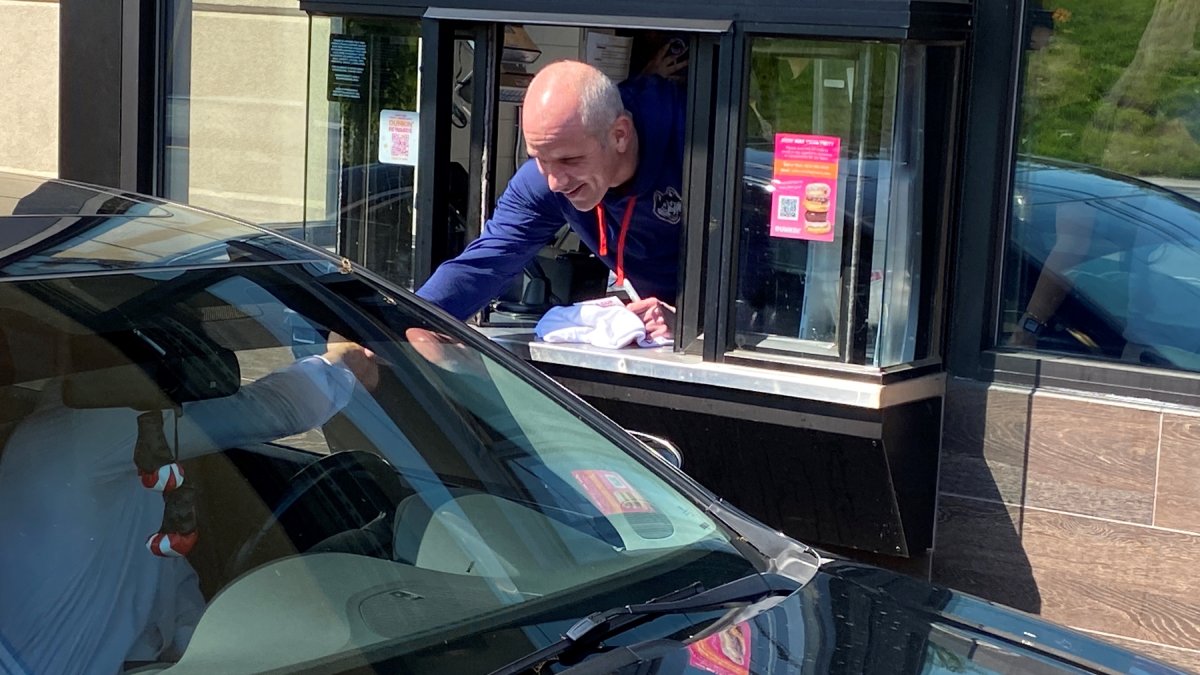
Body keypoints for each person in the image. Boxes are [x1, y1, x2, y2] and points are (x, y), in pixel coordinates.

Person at [0, 335, 378, 674]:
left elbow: (167, 581)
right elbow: (267, 410)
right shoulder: (82, 435)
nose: (177, 371)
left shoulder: (119, 468)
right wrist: (340, 362)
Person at [416, 59, 686, 342]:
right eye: (539, 159)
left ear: (620, 135)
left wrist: (690, 324)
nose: (556, 182)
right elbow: (483, 266)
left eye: (569, 159)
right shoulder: (540, 183)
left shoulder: (693, 152)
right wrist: (403, 324)